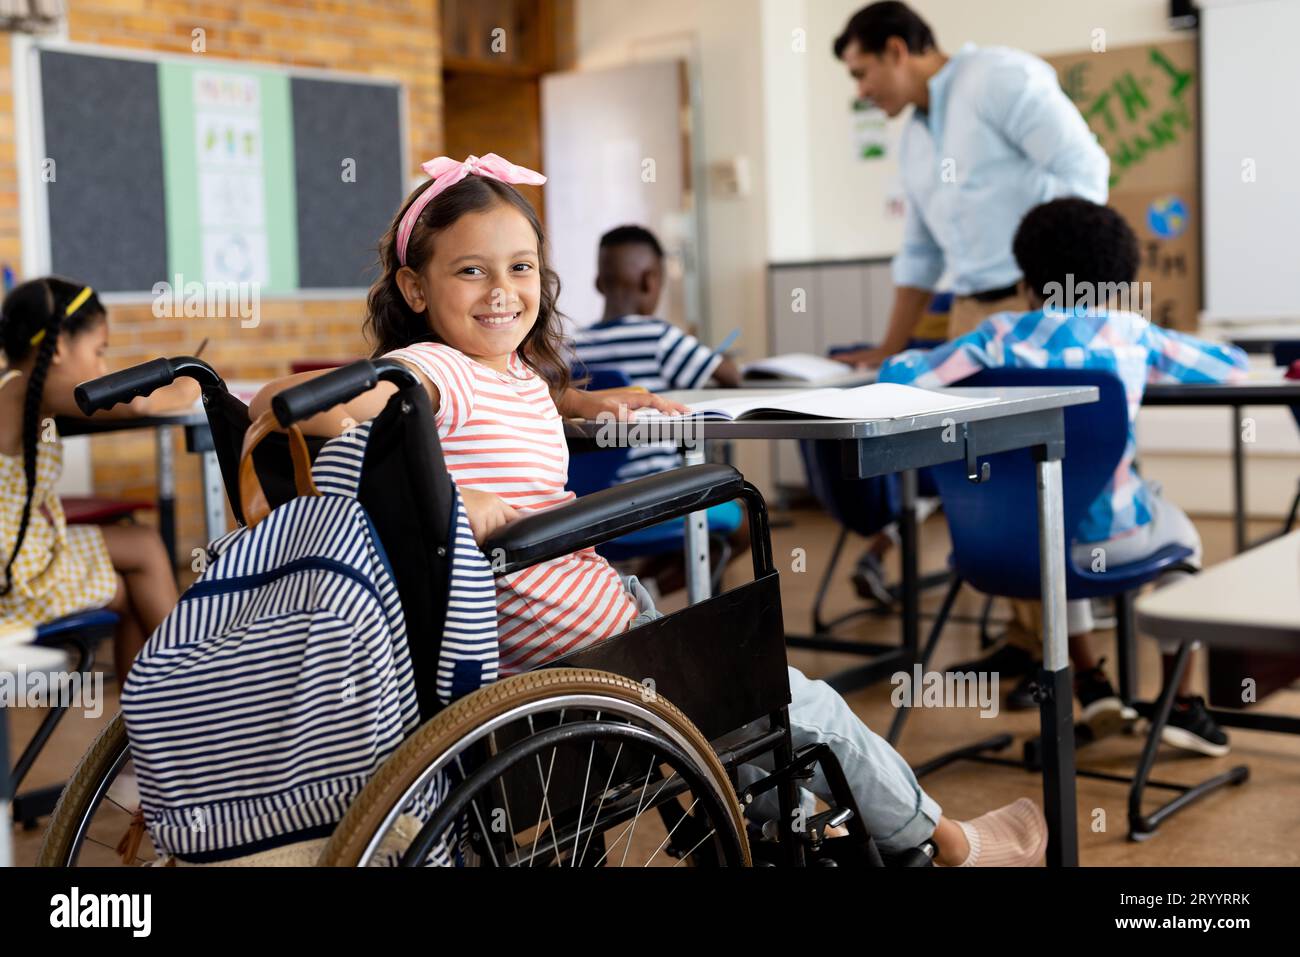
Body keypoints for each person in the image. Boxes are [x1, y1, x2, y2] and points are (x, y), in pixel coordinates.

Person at [252, 153, 1050, 865]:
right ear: (415, 288)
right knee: (801, 700)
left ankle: (818, 829)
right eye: (472, 273)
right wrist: (462, 497)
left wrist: (580, 401)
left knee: (738, 712)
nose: (503, 291)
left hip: (569, 637)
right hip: (587, 656)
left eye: (521, 267)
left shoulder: (498, 374)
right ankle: (946, 842)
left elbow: (496, 401)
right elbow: (329, 405)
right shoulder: (428, 368)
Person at [879, 198, 1249, 756]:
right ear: (1118, 280)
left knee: (1053, 516)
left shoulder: (997, 335)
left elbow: (898, 375)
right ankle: (1180, 703)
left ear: (1026, 278)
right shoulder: (1132, 334)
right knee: (1184, 538)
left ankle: (1093, 685)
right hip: (1114, 544)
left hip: (1006, 547)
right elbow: (1231, 366)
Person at [830, 1, 1108, 367]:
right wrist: (888, 350)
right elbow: (921, 256)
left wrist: (1058, 296)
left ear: (896, 50)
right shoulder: (914, 140)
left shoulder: (997, 77)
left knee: (1054, 421)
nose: (861, 91)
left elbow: (1084, 173)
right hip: (967, 317)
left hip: (1039, 302)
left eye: (861, 73)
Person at [0, 278, 198, 679]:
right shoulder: (22, 390)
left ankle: (146, 716)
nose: (103, 368)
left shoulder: (14, 386)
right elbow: (135, 404)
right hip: (13, 581)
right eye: (98, 352)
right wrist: (193, 380)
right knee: (140, 561)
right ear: (56, 348)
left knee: (139, 554)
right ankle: (188, 682)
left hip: (26, 551)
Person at [570, 224, 746, 596]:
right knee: (741, 523)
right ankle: (648, 592)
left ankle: (638, 593)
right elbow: (731, 377)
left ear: (599, 283)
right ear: (651, 282)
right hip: (656, 497)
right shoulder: (660, 337)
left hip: (588, 510)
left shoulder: (572, 347)